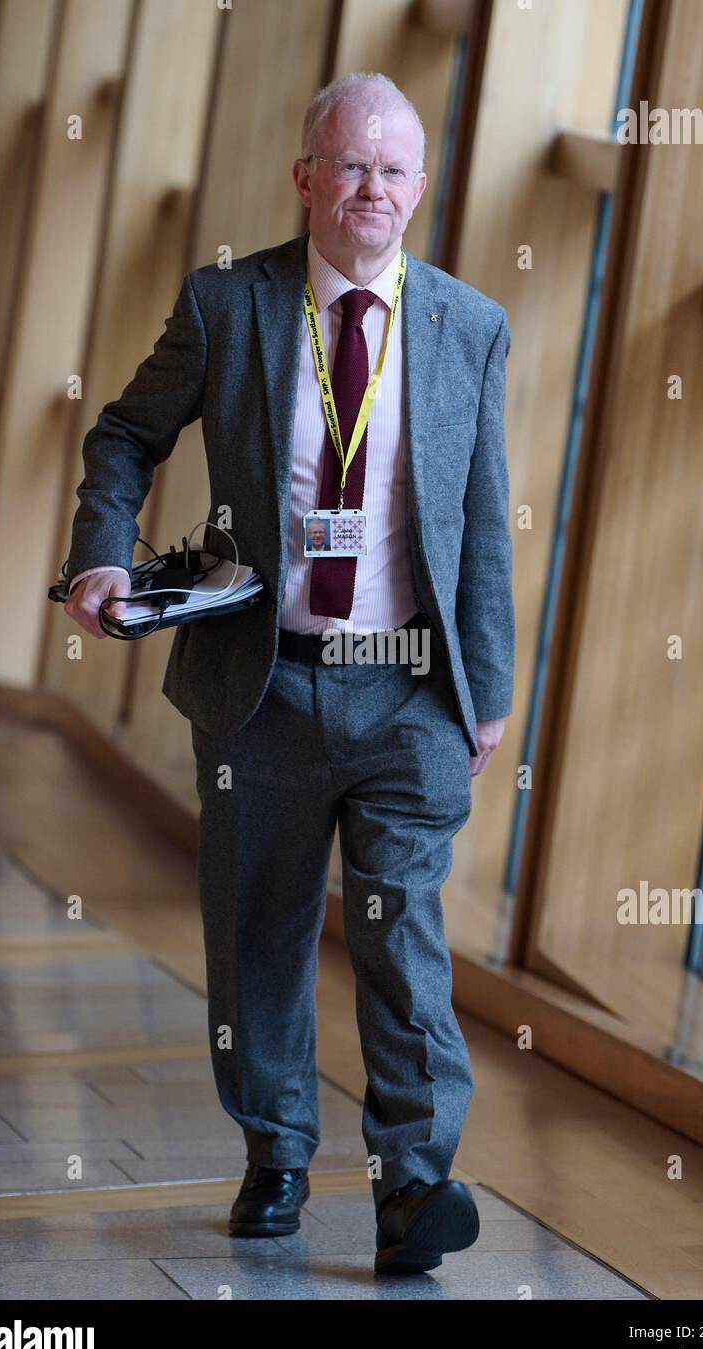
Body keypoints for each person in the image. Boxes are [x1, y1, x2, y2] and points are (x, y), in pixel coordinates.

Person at [63, 70, 514, 1277]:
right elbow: (123, 435)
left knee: (400, 934)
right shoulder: (230, 306)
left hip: (412, 689)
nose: (372, 188)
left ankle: (413, 1186)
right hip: (262, 685)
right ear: (306, 177)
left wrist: (489, 687)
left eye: (394, 169)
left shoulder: (469, 328)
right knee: (256, 932)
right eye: (350, 165)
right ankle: (274, 1149)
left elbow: (480, 523)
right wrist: (101, 559)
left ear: (420, 188)